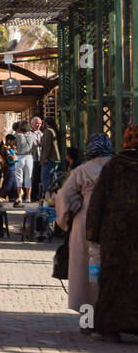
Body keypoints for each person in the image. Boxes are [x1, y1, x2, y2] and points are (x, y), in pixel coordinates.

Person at [86, 124, 138, 342]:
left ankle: (110, 328)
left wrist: (92, 233)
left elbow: (98, 201)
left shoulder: (113, 166)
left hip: (114, 232)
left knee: (113, 278)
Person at [54, 133, 113, 319]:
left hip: (85, 222)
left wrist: (66, 220)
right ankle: (110, 318)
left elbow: (63, 196)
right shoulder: (117, 167)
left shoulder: (82, 170)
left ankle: (88, 322)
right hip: (113, 219)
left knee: (85, 273)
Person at [0, 133, 18, 206]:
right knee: (7, 185)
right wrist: (15, 156)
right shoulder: (5, 147)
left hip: (13, 168)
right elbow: (11, 158)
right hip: (9, 168)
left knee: (14, 185)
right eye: (13, 141)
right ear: (9, 141)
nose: (14, 143)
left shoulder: (10, 148)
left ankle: (13, 198)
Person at [12, 119, 34, 206]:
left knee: (19, 177)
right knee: (28, 177)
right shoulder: (32, 135)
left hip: (19, 157)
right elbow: (36, 145)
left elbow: (13, 144)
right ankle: (28, 197)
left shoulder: (17, 135)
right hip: (29, 157)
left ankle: (19, 197)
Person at [38, 117, 60, 202]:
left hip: (49, 158)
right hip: (55, 158)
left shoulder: (48, 131)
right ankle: (52, 198)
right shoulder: (54, 130)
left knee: (45, 178)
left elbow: (47, 146)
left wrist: (44, 158)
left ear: (46, 123)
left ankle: (48, 198)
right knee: (52, 180)